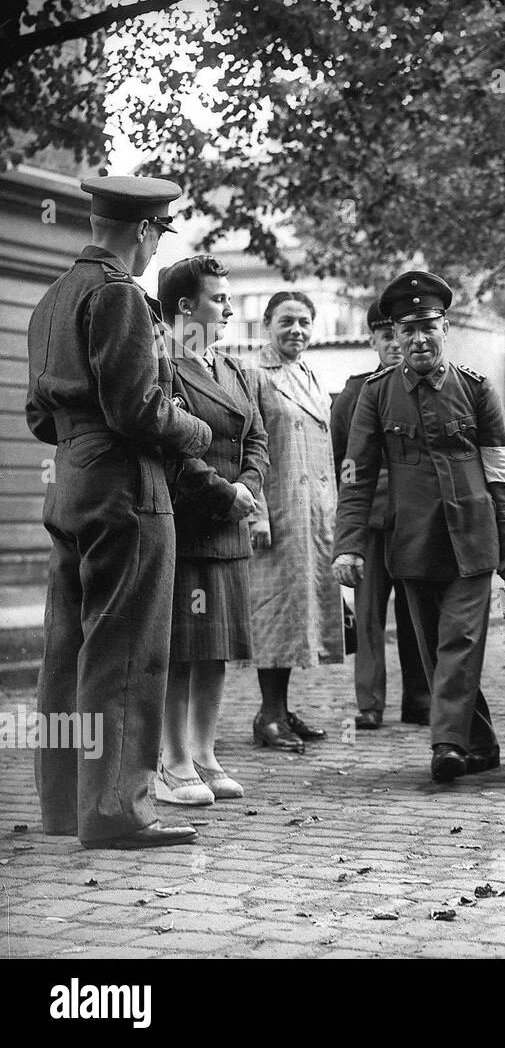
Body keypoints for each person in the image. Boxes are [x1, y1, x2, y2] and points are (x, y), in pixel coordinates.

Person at [26, 176, 212, 849]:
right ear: (142, 230)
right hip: (127, 491)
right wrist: (195, 431)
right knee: (125, 650)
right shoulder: (120, 296)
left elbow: (37, 416)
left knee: (67, 647)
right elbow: (139, 410)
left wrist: (83, 440)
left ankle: (64, 806)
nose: (155, 250)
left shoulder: (51, 299)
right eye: (159, 235)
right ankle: (115, 812)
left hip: (70, 483)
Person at [332, 271, 505, 783]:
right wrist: (348, 545)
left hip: (473, 541)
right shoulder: (376, 395)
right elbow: (356, 474)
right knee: (436, 648)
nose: (418, 339)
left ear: (446, 329)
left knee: (459, 642)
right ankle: (480, 742)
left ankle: (446, 745)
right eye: (407, 330)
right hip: (412, 541)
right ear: (393, 335)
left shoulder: (479, 391)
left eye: (428, 327)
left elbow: (504, 473)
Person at [155, 255, 269, 802]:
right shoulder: (164, 364)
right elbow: (174, 448)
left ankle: (204, 753)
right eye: (219, 298)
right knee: (182, 647)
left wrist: (248, 482)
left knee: (216, 647)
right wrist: (227, 495)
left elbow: (258, 438)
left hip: (231, 528)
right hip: (190, 524)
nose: (227, 307)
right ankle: (172, 761)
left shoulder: (234, 369)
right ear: (185, 306)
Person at [244, 291, 346, 752]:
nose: (297, 331)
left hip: (314, 516)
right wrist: (257, 513)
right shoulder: (253, 374)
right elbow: (248, 447)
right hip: (278, 515)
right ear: (267, 324)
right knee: (276, 613)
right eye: (286, 321)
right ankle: (267, 716)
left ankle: (281, 711)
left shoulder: (308, 373)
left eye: (305, 322)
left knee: (301, 613)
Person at [330, 301, 431, 730]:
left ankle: (421, 699)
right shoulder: (357, 391)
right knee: (369, 617)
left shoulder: (425, 390)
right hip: (371, 524)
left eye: (400, 333)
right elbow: (342, 461)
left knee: (416, 616)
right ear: (372, 339)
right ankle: (369, 702)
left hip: (414, 525)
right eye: (385, 335)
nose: (395, 343)